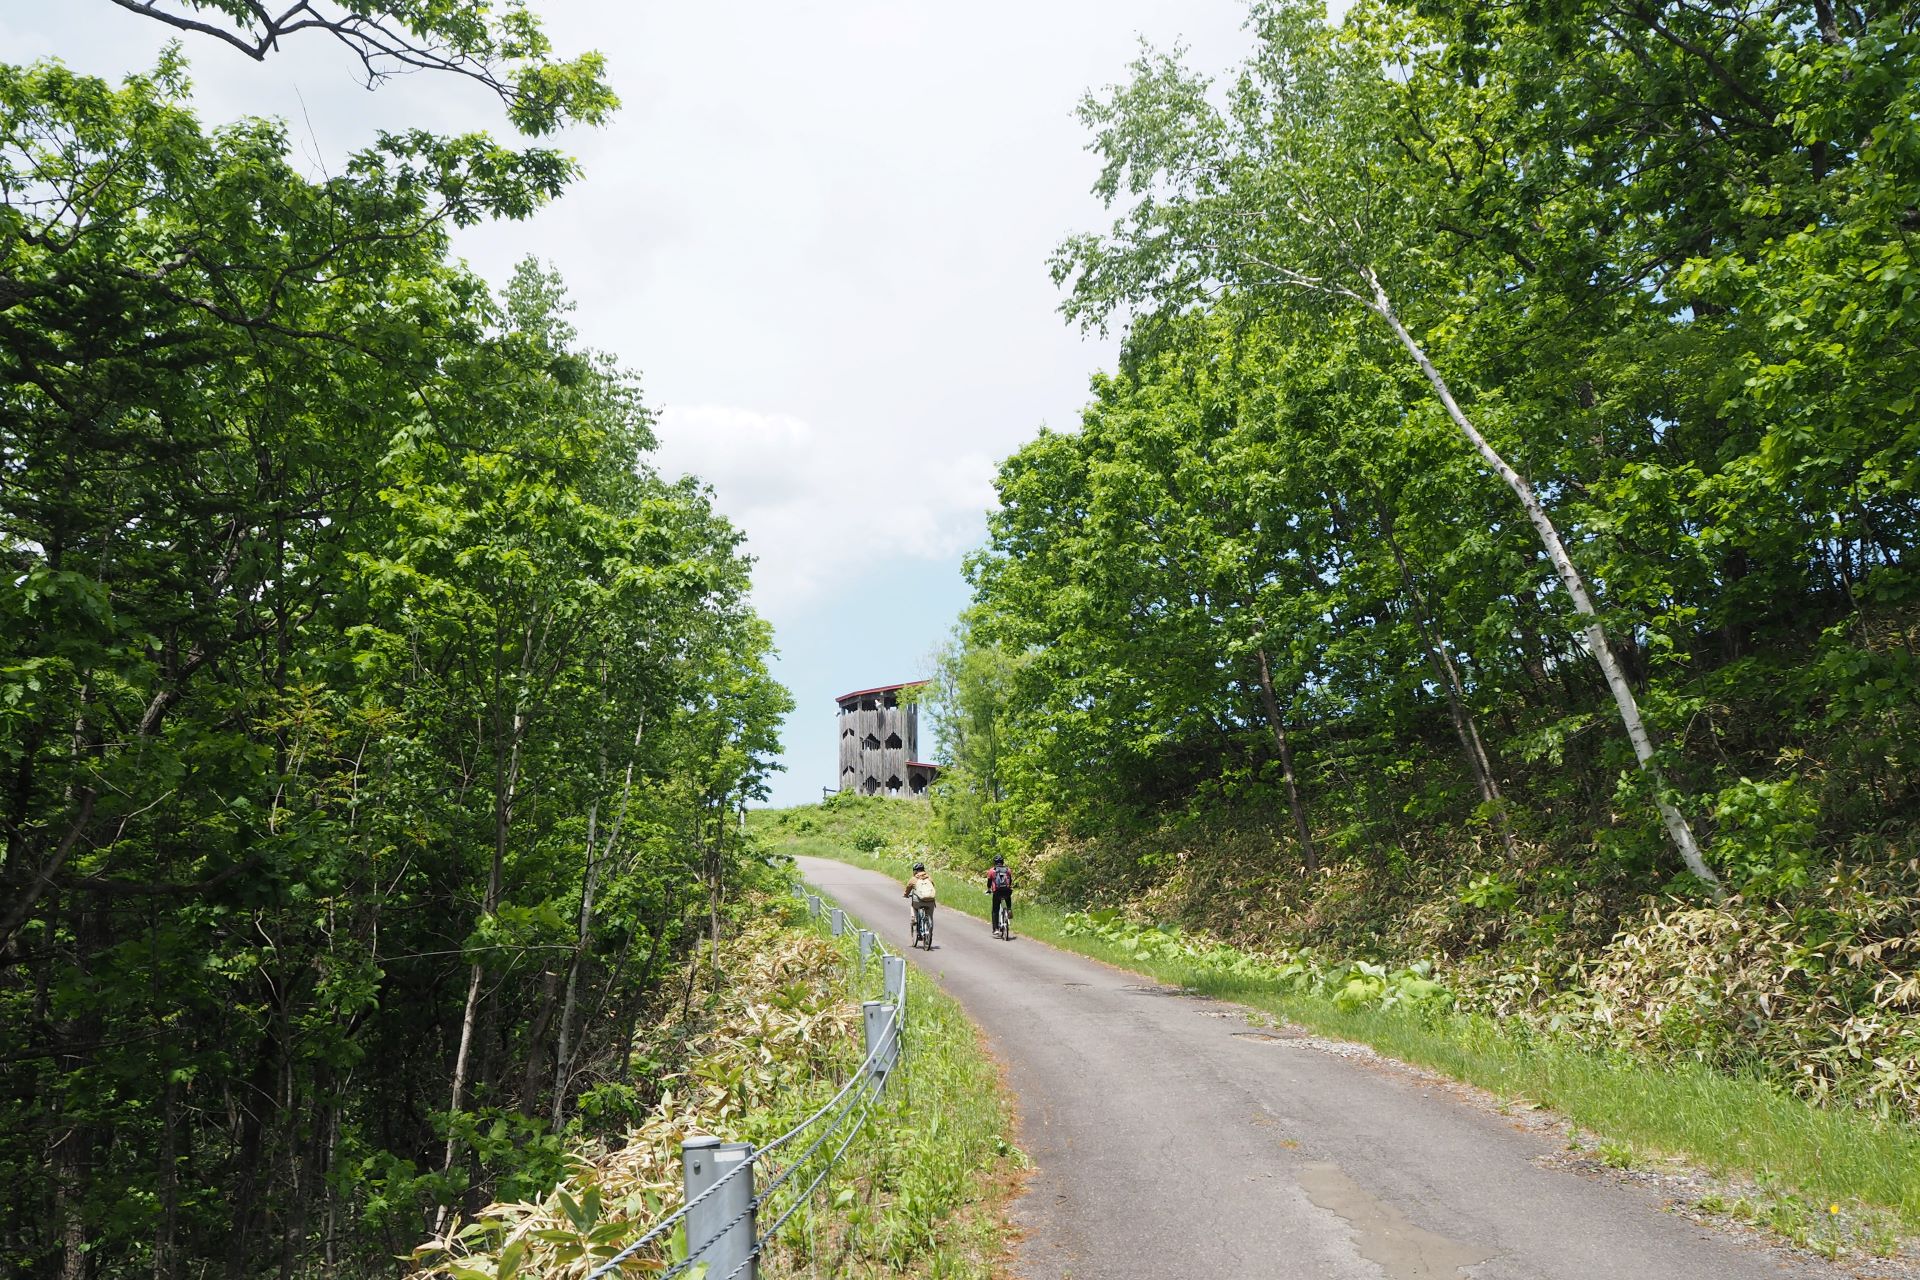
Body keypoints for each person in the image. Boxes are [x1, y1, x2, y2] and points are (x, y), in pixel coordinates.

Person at [903, 862, 936, 941]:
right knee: (930, 916)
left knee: (913, 906)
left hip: (918, 902)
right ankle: (929, 932)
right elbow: (932, 887)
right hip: (930, 901)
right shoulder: (929, 878)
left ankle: (914, 919)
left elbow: (908, 889)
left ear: (915, 871)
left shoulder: (913, 879)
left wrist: (905, 895)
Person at [984, 854, 1013, 935]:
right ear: (1002, 861)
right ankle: (1009, 909)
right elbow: (1010, 881)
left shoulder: (992, 871)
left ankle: (996, 929)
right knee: (1008, 895)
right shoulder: (1008, 870)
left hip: (997, 892)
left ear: (995, 862)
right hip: (1006, 891)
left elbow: (989, 883)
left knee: (995, 910)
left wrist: (989, 889)